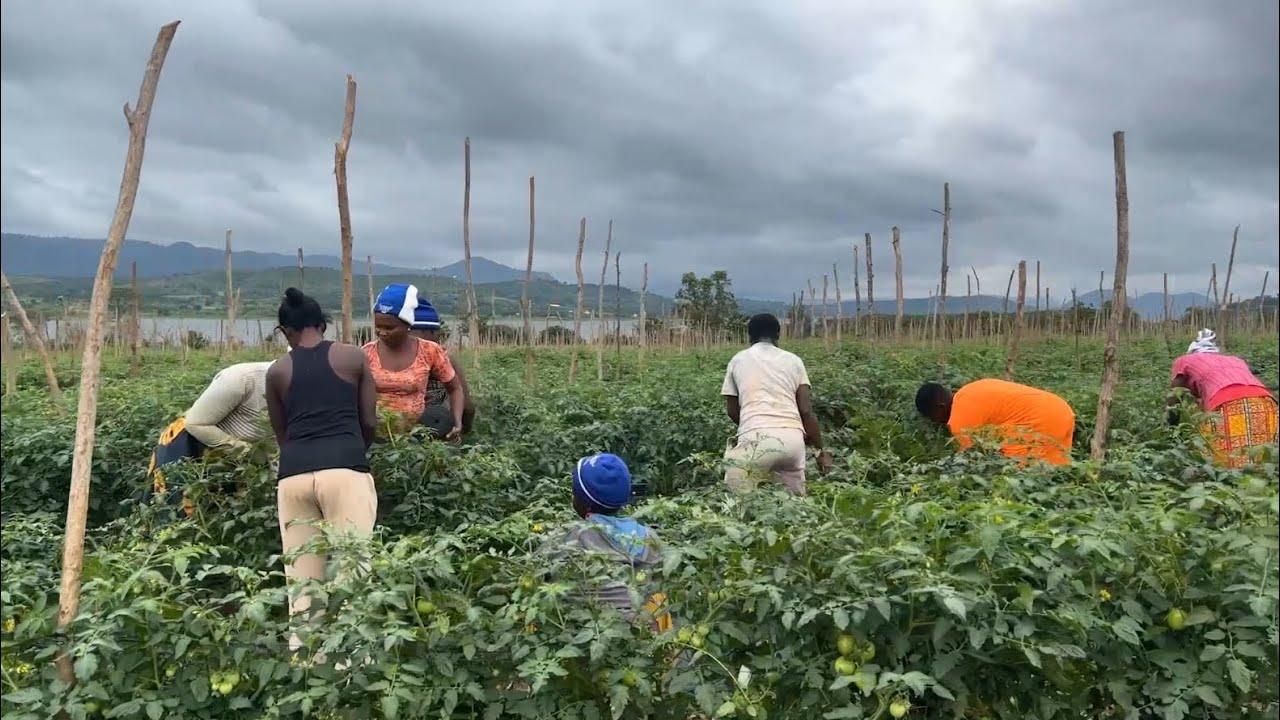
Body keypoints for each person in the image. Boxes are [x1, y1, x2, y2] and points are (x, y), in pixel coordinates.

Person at [264, 287, 378, 652]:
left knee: (301, 581)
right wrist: (352, 451)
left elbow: (282, 433)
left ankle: (305, 666)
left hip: (293, 476)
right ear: (322, 324)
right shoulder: (353, 358)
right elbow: (370, 421)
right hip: (346, 470)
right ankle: (350, 671)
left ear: (285, 332)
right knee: (353, 573)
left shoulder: (277, 371)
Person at [539, 453, 671, 632]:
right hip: (642, 637)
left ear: (582, 500)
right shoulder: (649, 537)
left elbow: (531, 577)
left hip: (581, 637)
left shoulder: (567, 537)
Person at [720, 313, 830, 496]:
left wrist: (752, 425)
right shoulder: (794, 361)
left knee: (738, 502)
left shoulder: (738, 360)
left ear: (750, 336)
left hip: (756, 440)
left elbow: (732, 411)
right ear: (778, 335)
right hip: (793, 442)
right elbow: (805, 410)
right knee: (795, 509)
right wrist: (820, 451)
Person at [147, 361, 274, 516]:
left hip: (232, 457)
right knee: (176, 509)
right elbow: (195, 423)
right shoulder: (242, 378)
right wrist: (245, 450)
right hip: (190, 443)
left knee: (222, 512)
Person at [364, 283, 465, 440]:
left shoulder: (429, 351)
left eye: (390, 327)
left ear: (408, 325)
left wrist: (456, 421)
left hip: (417, 439)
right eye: (378, 326)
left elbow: (455, 388)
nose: (382, 332)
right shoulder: (366, 353)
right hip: (376, 441)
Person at [1168, 329, 1278, 468]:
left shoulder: (1184, 361)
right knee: (1261, 456)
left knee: (1219, 459)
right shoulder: (1234, 360)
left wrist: (1172, 429)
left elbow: (1174, 397)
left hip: (1228, 404)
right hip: (1265, 402)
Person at [915, 378, 1075, 465]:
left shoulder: (959, 419)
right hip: (1061, 410)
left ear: (940, 407)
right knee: (1057, 469)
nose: (936, 422)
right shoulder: (968, 391)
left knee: (1017, 473)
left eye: (932, 417)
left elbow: (968, 459)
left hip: (1039, 419)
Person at [408, 299, 476, 437]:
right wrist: (463, 431)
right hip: (441, 434)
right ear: (432, 332)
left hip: (395, 439)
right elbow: (467, 407)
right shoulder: (446, 359)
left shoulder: (383, 360)